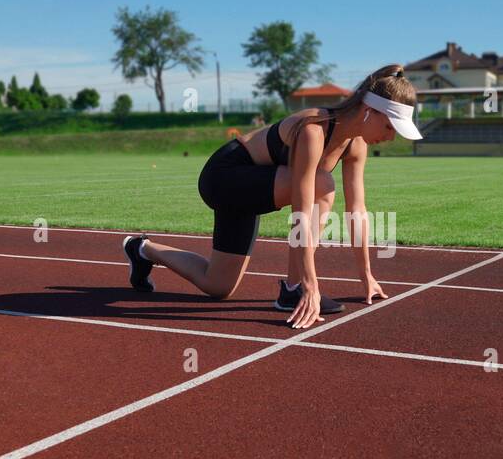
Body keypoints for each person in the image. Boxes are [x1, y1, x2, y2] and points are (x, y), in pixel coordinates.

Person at [123, 64, 421, 329]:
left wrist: (366, 275)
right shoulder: (314, 129)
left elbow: (357, 211)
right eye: (389, 127)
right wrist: (310, 283)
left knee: (218, 286)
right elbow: (302, 211)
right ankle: (293, 289)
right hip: (224, 177)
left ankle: (142, 249)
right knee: (324, 184)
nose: (391, 137)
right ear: (370, 110)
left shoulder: (357, 146)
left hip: (252, 190)